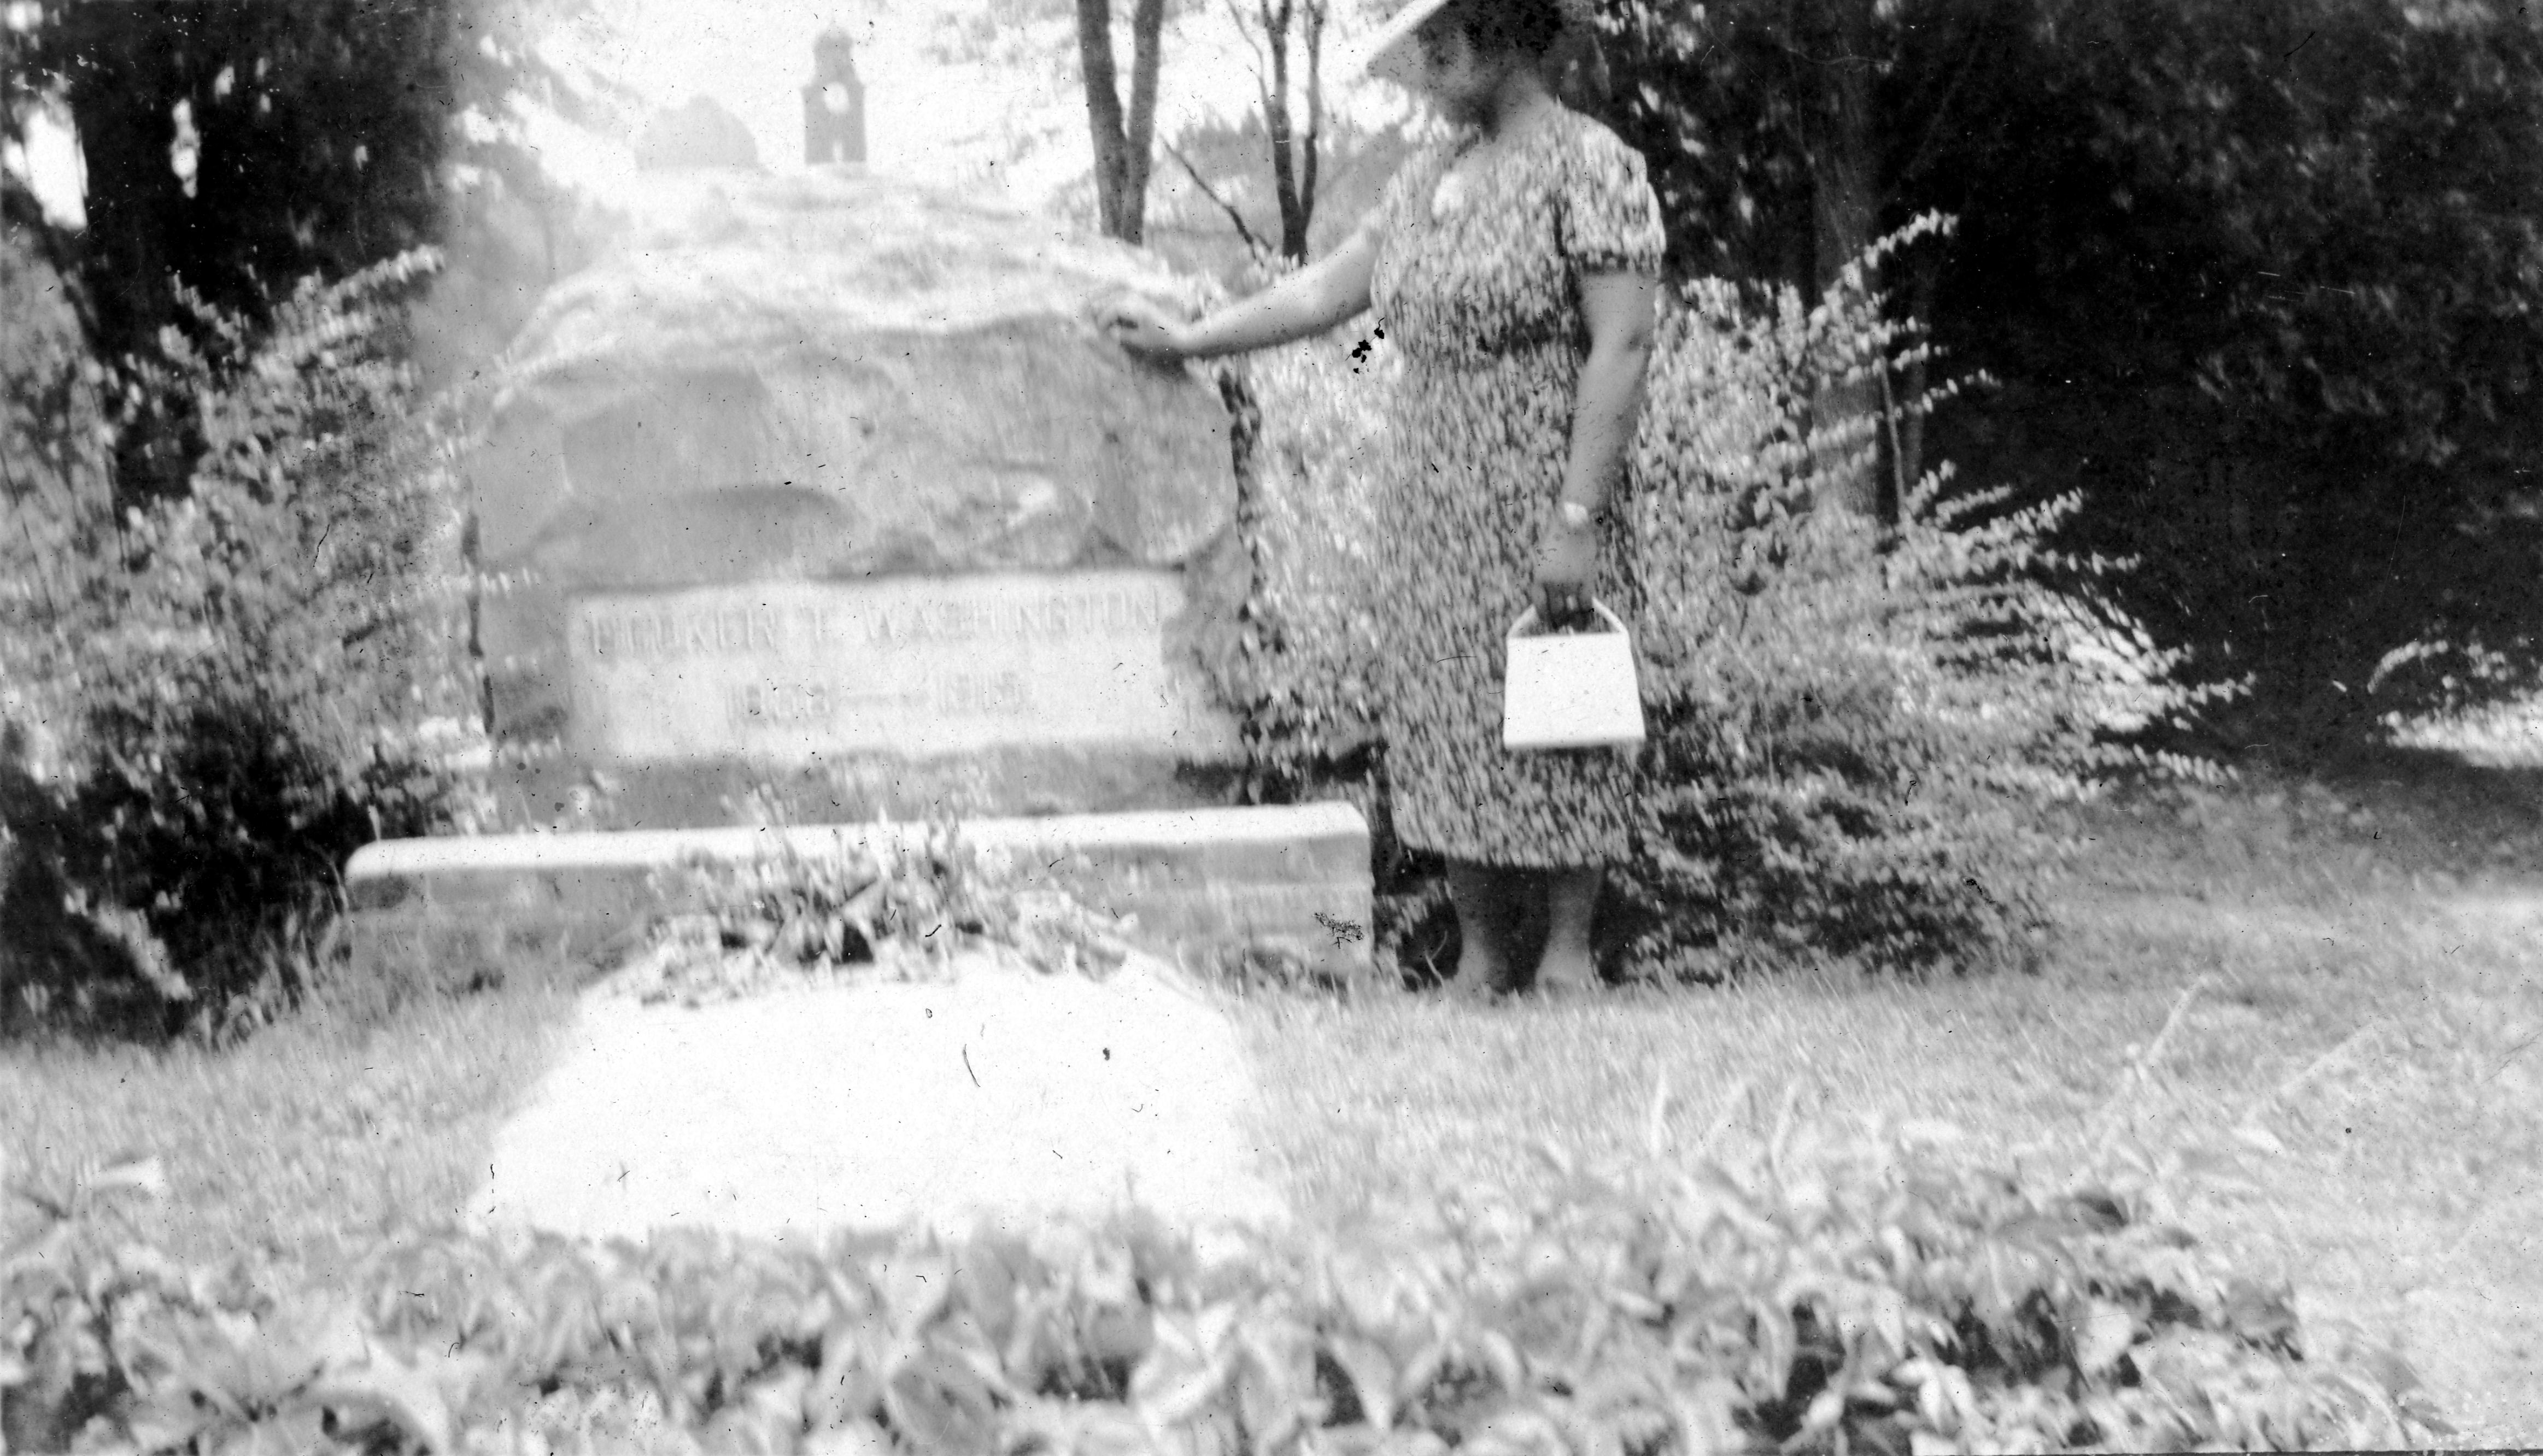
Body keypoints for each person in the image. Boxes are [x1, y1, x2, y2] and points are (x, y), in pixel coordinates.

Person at [1098, 0, 1663, 995]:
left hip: (1545, 477)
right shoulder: (1428, 177)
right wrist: (1192, 340)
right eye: (1426, 47)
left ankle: (1570, 959)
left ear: (1509, 36)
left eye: (1447, 44)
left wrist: (1577, 516)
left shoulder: (1591, 165)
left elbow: (1620, 345)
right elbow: (1328, 297)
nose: (1430, 64)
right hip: (1431, 489)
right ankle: (1483, 959)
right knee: (1447, 710)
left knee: (1562, 696)